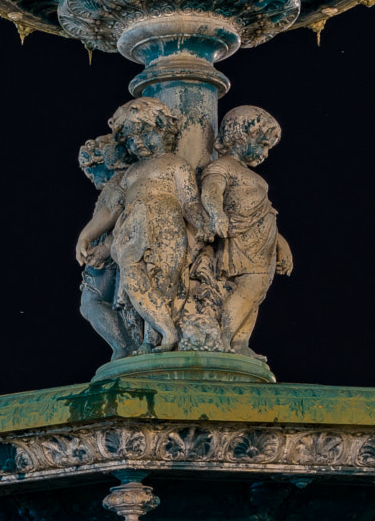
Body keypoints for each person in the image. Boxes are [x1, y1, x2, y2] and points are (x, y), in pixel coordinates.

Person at [76, 98, 202, 352]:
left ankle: (153, 339)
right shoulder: (131, 173)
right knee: (133, 277)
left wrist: (206, 226)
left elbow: (190, 204)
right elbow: (112, 210)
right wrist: (85, 236)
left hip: (167, 225)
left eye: (145, 134)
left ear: (164, 129)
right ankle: (166, 331)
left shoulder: (177, 165)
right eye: (132, 139)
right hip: (132, 229)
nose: (139, 143)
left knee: (164, 279)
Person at [199, 105, 292, 355]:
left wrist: (281, 245)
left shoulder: (254, 177)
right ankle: (224, 338)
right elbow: (211, 190)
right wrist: (216, 213)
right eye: (261, 145)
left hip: (262, 243)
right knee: (248, 288)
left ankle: (240, 343)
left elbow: (267, 212)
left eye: (268, 148)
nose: (264, 154)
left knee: (257, 291)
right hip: (242, 238)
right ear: (240, 137)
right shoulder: (224, 167)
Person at [76, 134, 142, 357]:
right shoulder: (128, 181)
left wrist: (96, 242)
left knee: (91, 303)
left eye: (90, 168)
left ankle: (123, 346)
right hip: (109, 252)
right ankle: (126, 345)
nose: (89, 175)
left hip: (107, 256)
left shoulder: (118, 183)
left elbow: (118, 214)